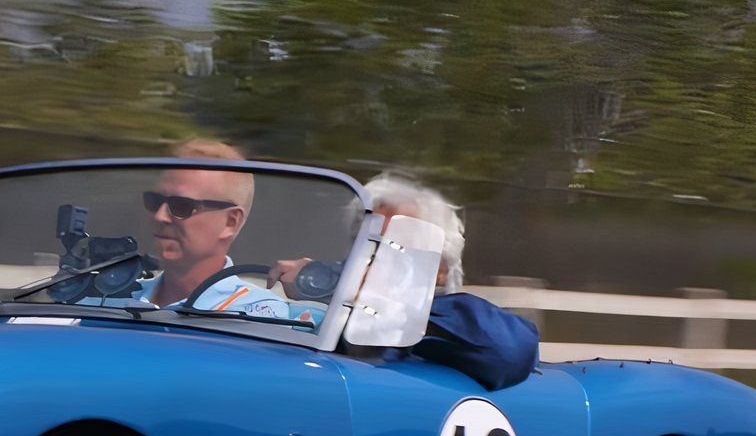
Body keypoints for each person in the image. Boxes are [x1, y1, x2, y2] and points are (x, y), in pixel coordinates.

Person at [273, 173, 539, 390]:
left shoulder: (456, 327)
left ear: (439, 270)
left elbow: (513, 350)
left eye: (397, 246)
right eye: (366, 244)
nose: (373, 259)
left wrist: (351, 290)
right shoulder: (333, 312)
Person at [129, 139, 289, 318]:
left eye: (181, 205)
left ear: (230, 222)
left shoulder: (256, 312)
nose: (159, 216)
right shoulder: (114, 296)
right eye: (154, 200)